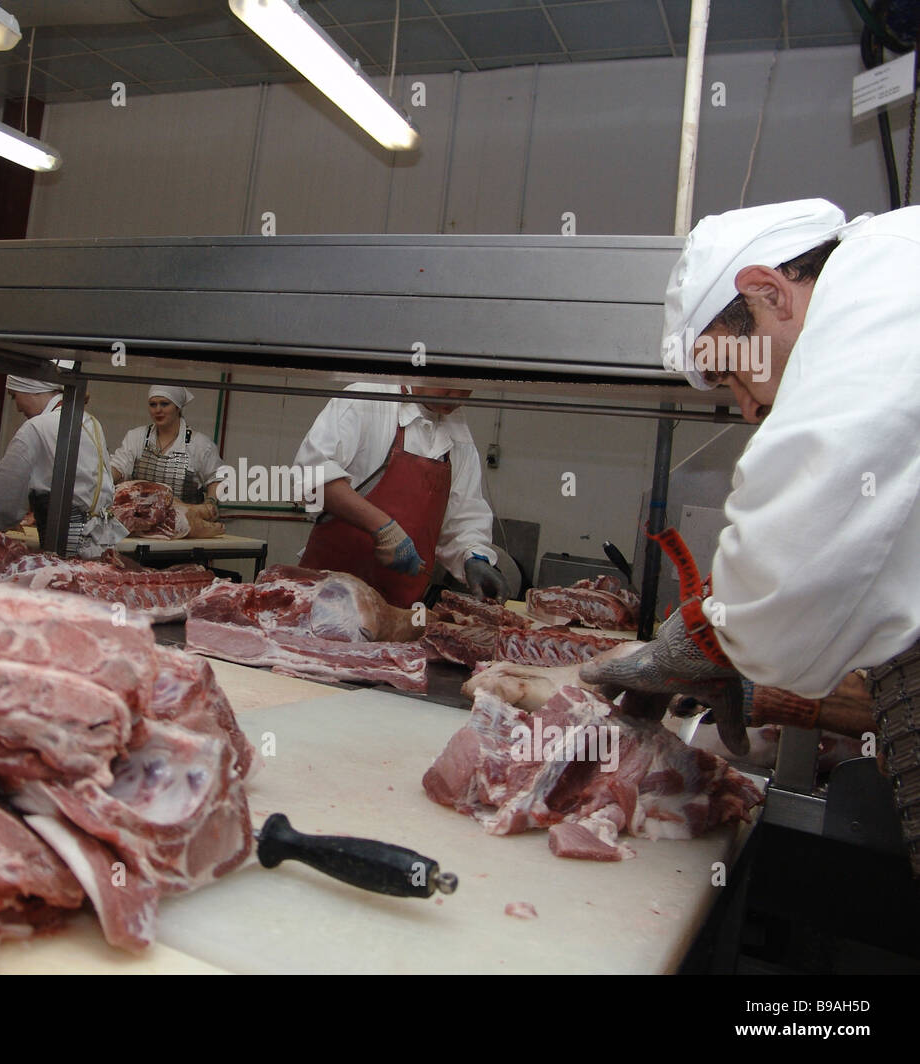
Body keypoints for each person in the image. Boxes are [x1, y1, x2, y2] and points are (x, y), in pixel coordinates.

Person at [579, 198, 920, 872]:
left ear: (767, 292)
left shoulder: (885, 280)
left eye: (733, 374)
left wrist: (698, 640)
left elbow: (787, 573)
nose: (748, 407)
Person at [292, 382, 518, 608]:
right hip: (325, 598)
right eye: (448, 385)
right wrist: (383, 528)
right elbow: (311, 475)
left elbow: (463, 515)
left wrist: (475, 557)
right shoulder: (368, 400)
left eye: (467, 388)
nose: (457, 397)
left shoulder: (458, 434)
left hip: (397, 612)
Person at [0, 375, 127, 557]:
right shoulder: (89, 422)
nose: (16, 407)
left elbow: (1, 496)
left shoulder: (36, 427)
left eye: (14, 395)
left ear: (30, 389)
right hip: (100, 546)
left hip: (63, 547)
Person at [110, 385, 223, 513]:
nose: (158, 410)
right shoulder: (136, 437)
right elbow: (119, 466)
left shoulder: (200, 444)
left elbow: (216, 479)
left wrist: (210, 502)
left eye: (164, 404)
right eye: (153, 404)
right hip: (141, 516)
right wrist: (103, 477)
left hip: (184, 520)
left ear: (178, 407)